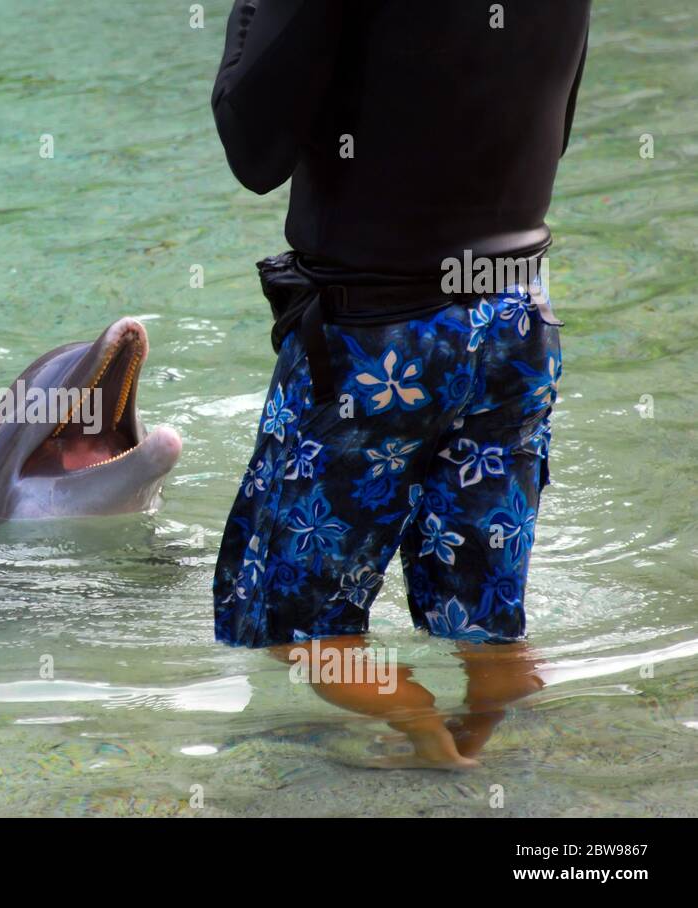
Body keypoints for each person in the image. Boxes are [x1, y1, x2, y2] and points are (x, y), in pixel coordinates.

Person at [210, 0, 591, 767]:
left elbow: (254, 148)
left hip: (379, 340)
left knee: (294, 629)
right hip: (517, 324)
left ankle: (421, 728)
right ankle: (493, 702)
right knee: (483, 616)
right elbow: (554, 124)